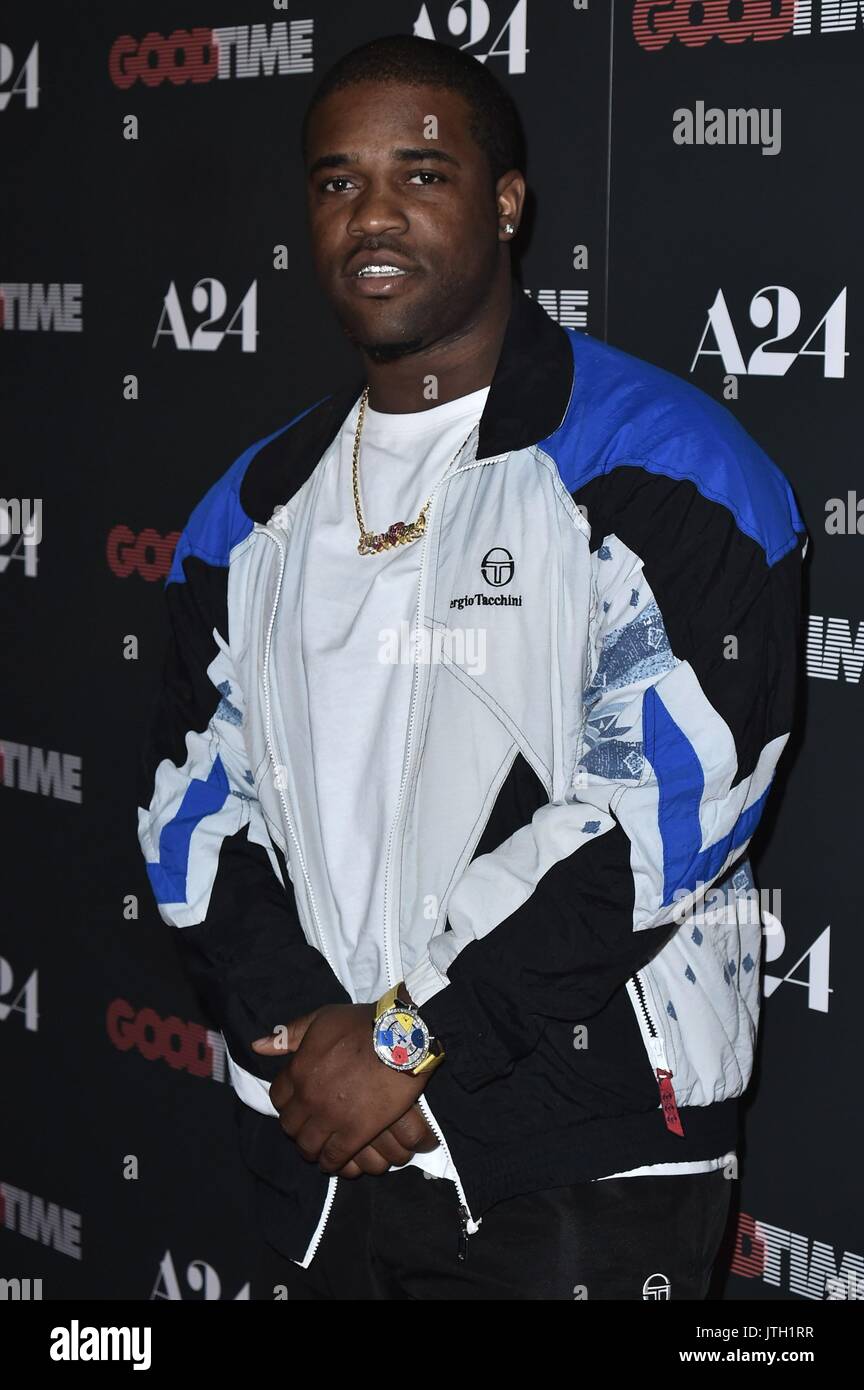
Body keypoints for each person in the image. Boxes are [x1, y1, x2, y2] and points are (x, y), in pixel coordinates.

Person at [137, 34, 808, 1300]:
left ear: (505, 203)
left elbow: (661, 813)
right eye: (338, 182)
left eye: (422, 173)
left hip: (577, 1165)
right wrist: (308, 1040)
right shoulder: (247, 510)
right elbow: (189, 805)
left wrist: (406, 1039)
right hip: (324, 1151)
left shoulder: (663, 466)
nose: (372, 214)